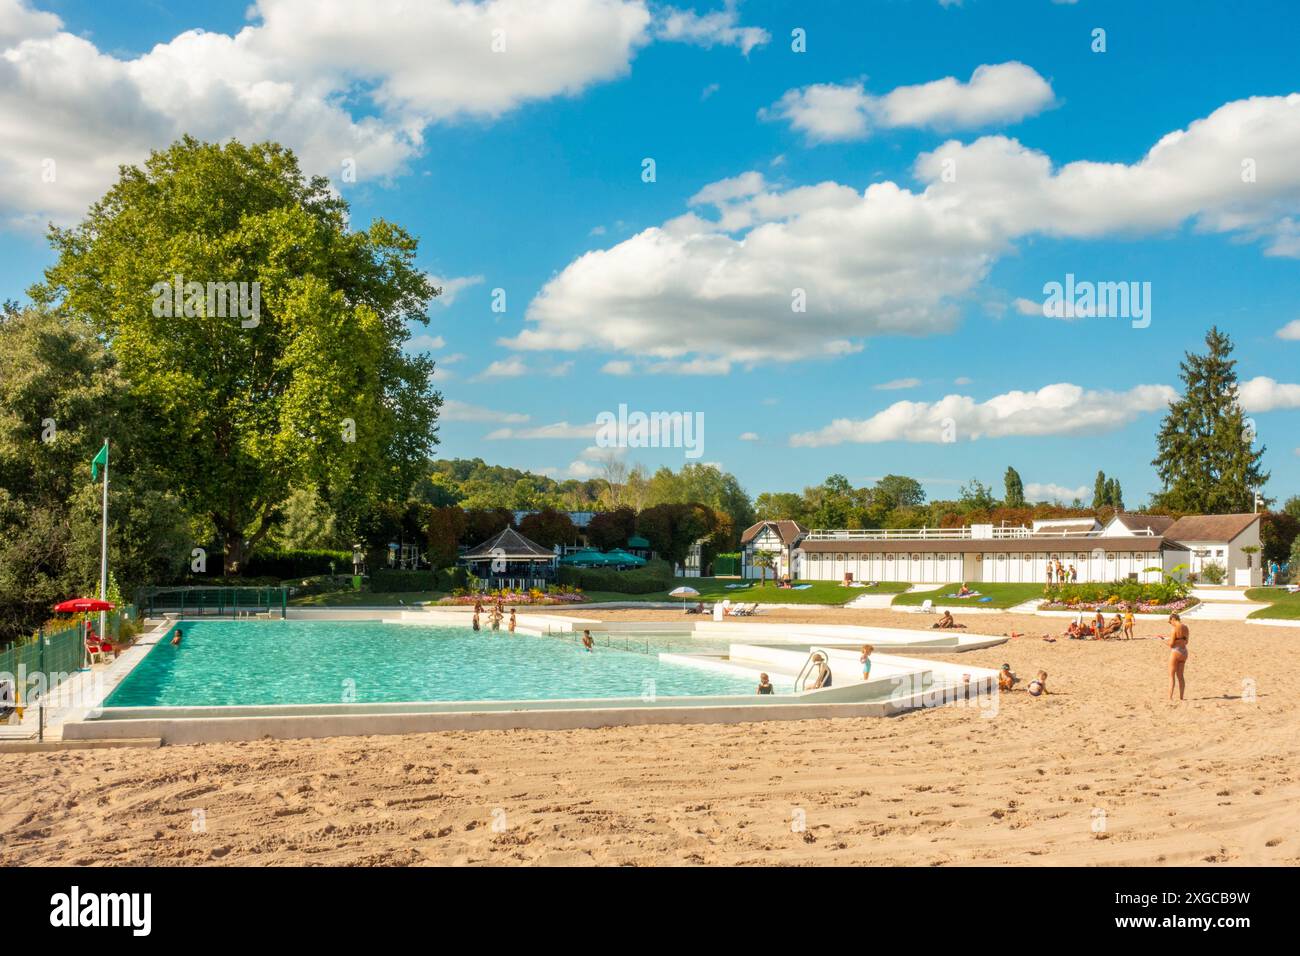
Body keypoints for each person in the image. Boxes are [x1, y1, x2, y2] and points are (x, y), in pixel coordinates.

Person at [1167, 613, 1189, 701]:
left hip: (1176, 652)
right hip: (1184, 652)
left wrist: (1166, 642)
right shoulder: (1186, 627)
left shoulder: (1174, 629)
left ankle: (1170, 697)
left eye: (1170, 622)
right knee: (1180, 676)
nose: (1170, 624)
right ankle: (1181, 697)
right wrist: (1179, 641)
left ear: (1173, 619)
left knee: (1171, 675)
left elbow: (1171, 645)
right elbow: (1186, 642)